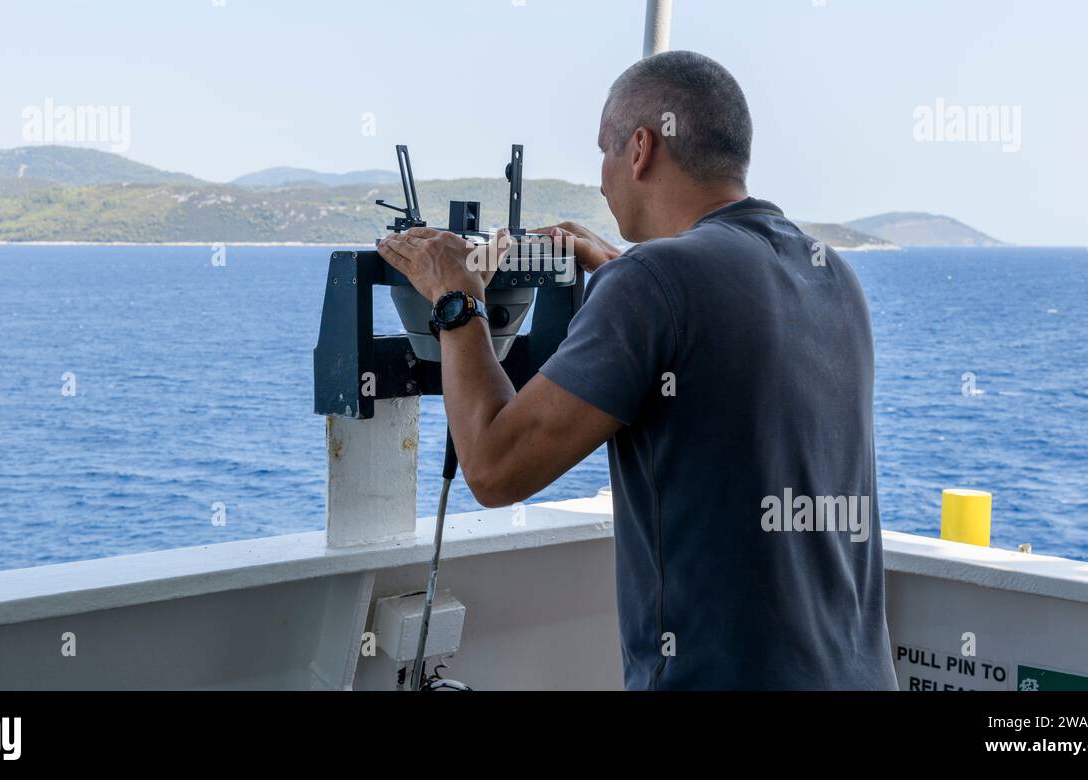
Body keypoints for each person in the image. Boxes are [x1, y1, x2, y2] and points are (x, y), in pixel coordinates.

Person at [376, 49, 898, 690]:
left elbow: (492, 467)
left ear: (642, 149)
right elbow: (712, 327)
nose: (598, 179)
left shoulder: (653, 283)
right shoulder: (833, 274)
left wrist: (456, 300)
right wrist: (621, 268)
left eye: (604, 150)